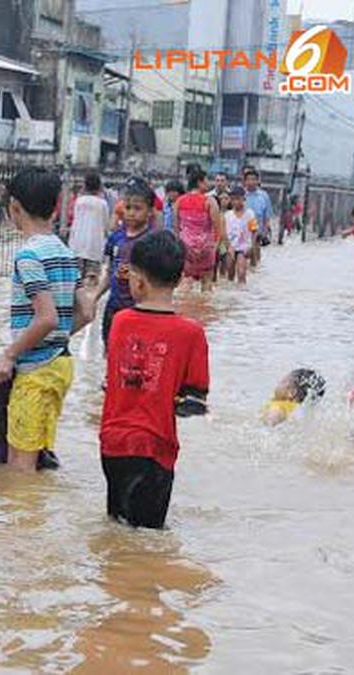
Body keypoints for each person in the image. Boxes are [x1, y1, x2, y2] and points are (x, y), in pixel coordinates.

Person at [101, 230, 210, 529]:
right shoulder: (191, 333)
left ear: (138, 281)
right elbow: (195, 399)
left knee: (117, 526)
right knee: (148, 537)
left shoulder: (120, 321)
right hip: (155, 448)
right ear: (179, 279)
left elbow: (112, 378)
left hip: (113, 443)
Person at [0, 167, 80, 473]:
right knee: (39, 454)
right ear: (55, 207)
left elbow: (47, 318)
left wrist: (9, 354)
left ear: (14, 207)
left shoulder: (28, 256)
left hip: (36, 370)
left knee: (20, 467)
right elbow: (84, 311)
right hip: (61, 366)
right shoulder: (65, 252)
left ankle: (24, 520)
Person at [92, 179, 154, 349]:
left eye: (137, 208)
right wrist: (94, 297)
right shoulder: (115, 238)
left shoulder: (152, 241)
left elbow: (157, 280)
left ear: (149, 211)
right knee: (109, 352)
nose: (131, 213)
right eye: (128, 208)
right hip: (113, 306)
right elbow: (109, 273)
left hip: (139, 310)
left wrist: (134, 276)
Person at [175, 164, 223, 293]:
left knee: (185, 281)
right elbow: (218, 229)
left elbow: (177, 229)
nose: (208, 183)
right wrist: (215, 247)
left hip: (186, 247)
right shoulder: (210, 201)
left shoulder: (179, 201)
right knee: (207, 285)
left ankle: (182, 309)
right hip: (206, 247)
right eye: (206, 180)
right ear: (200, 182)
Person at [69, 173, 111, 287]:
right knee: (91, 279)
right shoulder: (102, 204)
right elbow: (107, 225)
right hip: (95, 246)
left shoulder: (79, 201)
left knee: (76, 279)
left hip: (77, 244)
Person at [224, 186, 257, 286]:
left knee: (241, 272)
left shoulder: (250, 214)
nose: (236, 202)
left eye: (238, 199)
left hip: (244, 246)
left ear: (244, 199)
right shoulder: (227, 215)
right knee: (230, 273)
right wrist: (228, 247)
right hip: (231, 246)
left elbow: (254, 230)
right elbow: (224, 233)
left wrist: (252, 246)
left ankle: (242, 292)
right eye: (233, 199)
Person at [243, 168, 272, 267]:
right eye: (249, 179)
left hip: (257, 234)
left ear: (258, 181)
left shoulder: (264, 196)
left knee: (255, 261)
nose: (251, 182)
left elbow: (267, 217)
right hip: (241, 233)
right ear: (244, 181)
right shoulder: (240, 195)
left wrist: (265, 232)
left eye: (253, 179)